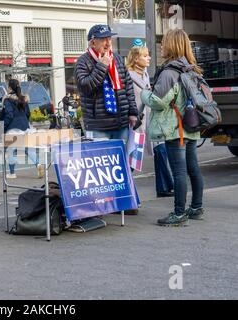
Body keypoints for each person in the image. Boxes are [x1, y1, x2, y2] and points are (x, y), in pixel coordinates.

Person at [141, 29, 205, 226]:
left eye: (164, 42)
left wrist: (144, 94)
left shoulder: (169, 72)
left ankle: (178, 213)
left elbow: (158, 101)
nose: (161, 46)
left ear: (172, 45)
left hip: (174, 128)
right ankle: (196, 207)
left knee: (178, 171)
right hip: (191, 126)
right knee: (193, 168)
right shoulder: (192, 69)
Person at [75, 24, 139, 215]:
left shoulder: (118, 59)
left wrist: (133, 112)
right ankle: (104, 204)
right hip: (99, 123)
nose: (108, 42)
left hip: (120, 121)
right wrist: (102, 65)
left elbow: (127, 88)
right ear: (92, 41)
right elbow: (87, 87)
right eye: (104, 39)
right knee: (101, 167)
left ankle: (127, 202)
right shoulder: (83, 62)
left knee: (122, 164)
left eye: (109, 39)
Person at [126, 44, 174, 198]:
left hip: (151, 122)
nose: (149, 58)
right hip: (137, 125)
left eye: (148, 55)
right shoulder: (128, 76)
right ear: (135, 58)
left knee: (161, 151)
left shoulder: (145, 75)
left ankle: (164, 187)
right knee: (133, 159)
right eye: (145, 55)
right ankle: (124, 191)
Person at [2, 79, 45, 179]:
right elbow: (28, 113)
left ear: (9, 87)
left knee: (11, 150)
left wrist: (4, 127)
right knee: (29, 150)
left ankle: (12, 173)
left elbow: (9, 114)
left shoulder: (8, 100)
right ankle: (38, 165)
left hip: (13, 128)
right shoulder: (23, 98)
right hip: (25, 127)